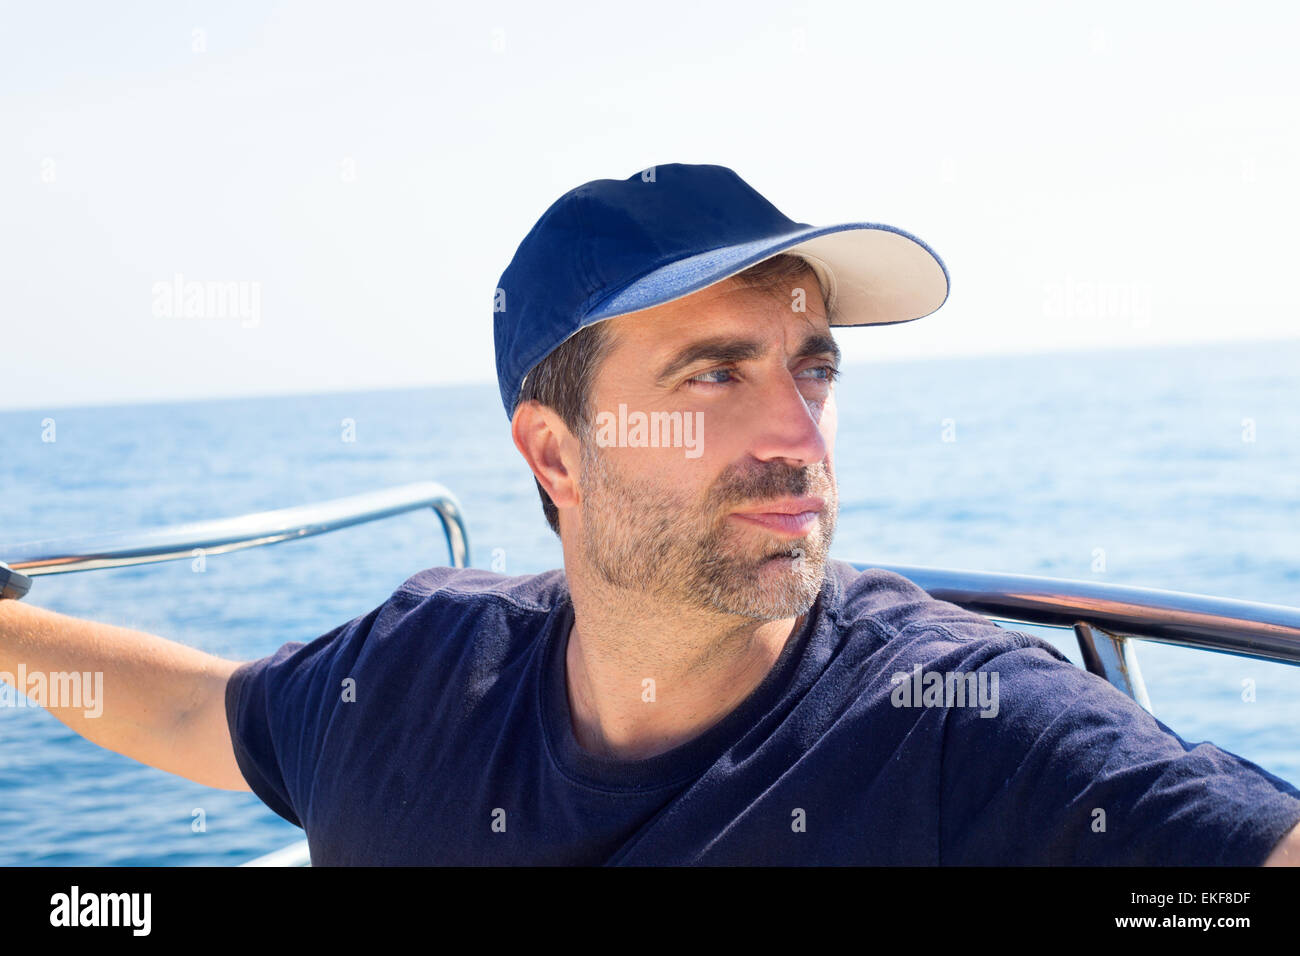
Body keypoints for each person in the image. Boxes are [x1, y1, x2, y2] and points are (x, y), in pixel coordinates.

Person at [4, 163, 1299, 865]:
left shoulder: (960, 733)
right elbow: (198, 709)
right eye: (715, 374)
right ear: (555, 457)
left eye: (815, 369)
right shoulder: (409, 674)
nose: (798, 436)